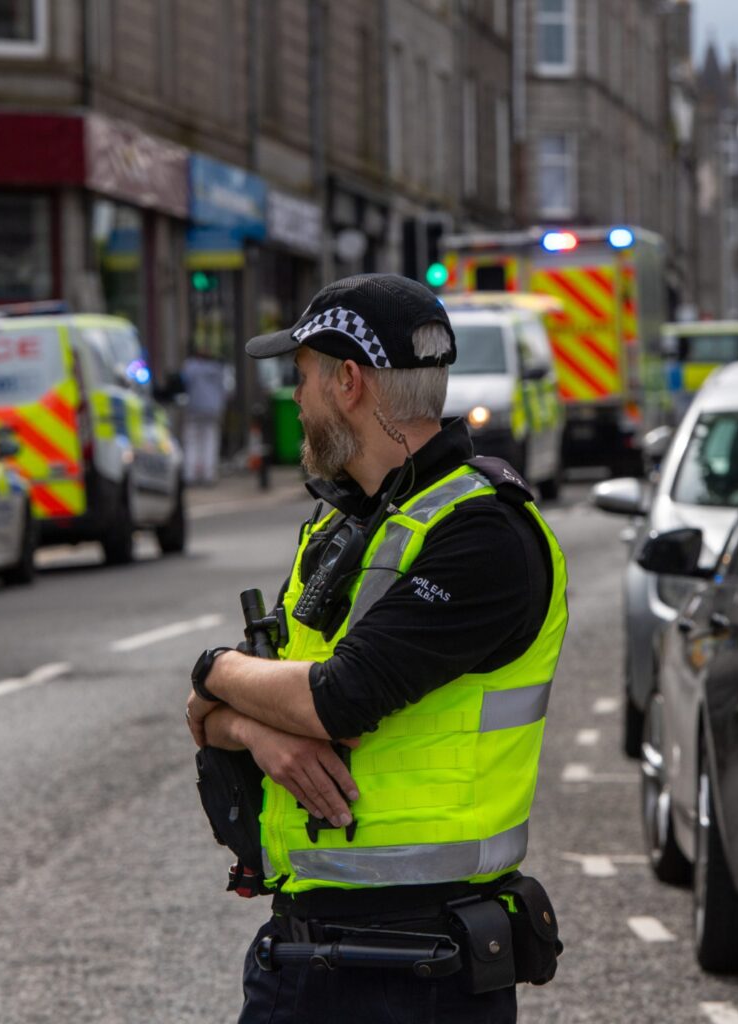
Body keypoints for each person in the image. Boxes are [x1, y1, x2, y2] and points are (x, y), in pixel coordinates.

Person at [186, 274, 569, 1023]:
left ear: (349, 382)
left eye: (301, 380)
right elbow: (220, 710)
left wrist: (210, 670)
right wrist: (257, 731)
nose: (295, 401)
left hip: (417, 969)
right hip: (305, 951)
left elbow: (338, 699)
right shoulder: (341, 527)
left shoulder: (482, 535)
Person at [179, 344, 231, 485]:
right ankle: (209, 474)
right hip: (213, 409)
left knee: (192, 441)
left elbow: (182, 383)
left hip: (194, 408)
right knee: (211, 440)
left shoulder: (190, 367)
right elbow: (226, 390)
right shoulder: (218, 369)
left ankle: (191, 473)